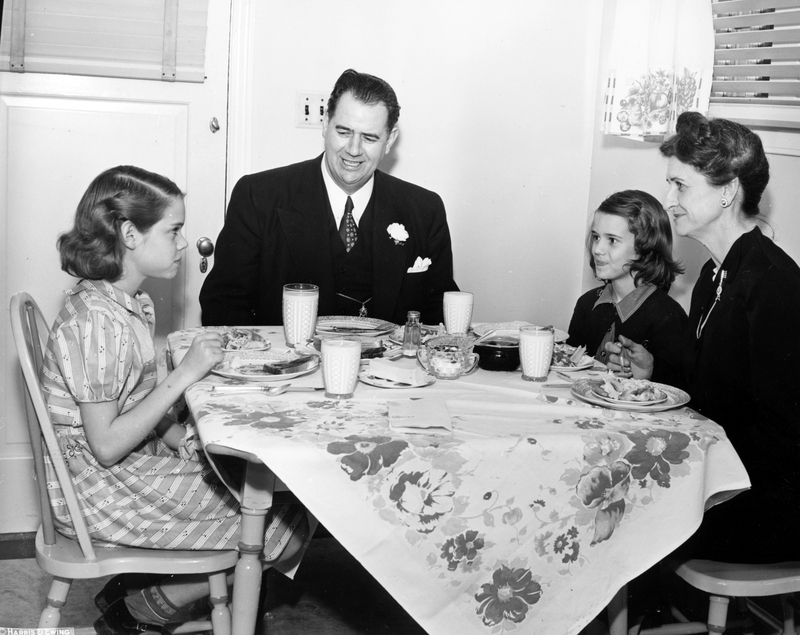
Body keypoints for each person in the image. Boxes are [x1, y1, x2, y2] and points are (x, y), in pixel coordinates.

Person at [42, 166, 309, 634]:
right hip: (97, 493)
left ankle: (139, 595)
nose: (185, 244)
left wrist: (177, 434)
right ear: (129, 234)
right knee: (282, 521)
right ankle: (152, 602)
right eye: (174, 230)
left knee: (269, 489)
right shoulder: (96, 322)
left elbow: (136, 399)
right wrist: (186, 374)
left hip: (118, 476)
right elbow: (105, 444)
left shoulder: (123, 302)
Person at [608, 112, 800, 563]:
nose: (668, 199)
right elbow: (714, 389)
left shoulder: (774, 283)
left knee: (619, 515)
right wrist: (655, 372)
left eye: (680, 185)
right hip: (719, 476)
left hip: (761, 501)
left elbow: (786, 433)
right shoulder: (715, 272)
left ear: (728, 190)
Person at [199, 68, 459, 327]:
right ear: (325, 125)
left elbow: (440, 315)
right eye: (344, 132)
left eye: (369, 137)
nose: (354, 150)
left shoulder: (425, 210)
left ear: (389, 141)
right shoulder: (259, 196)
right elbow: (222, 305)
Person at [566, 190, 687, 386]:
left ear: (645, 248)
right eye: (596, 237)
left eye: (612, 240)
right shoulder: (586, 304)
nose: (597, 249)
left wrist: (649, 374)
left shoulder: (669, 317)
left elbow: (680, 392)